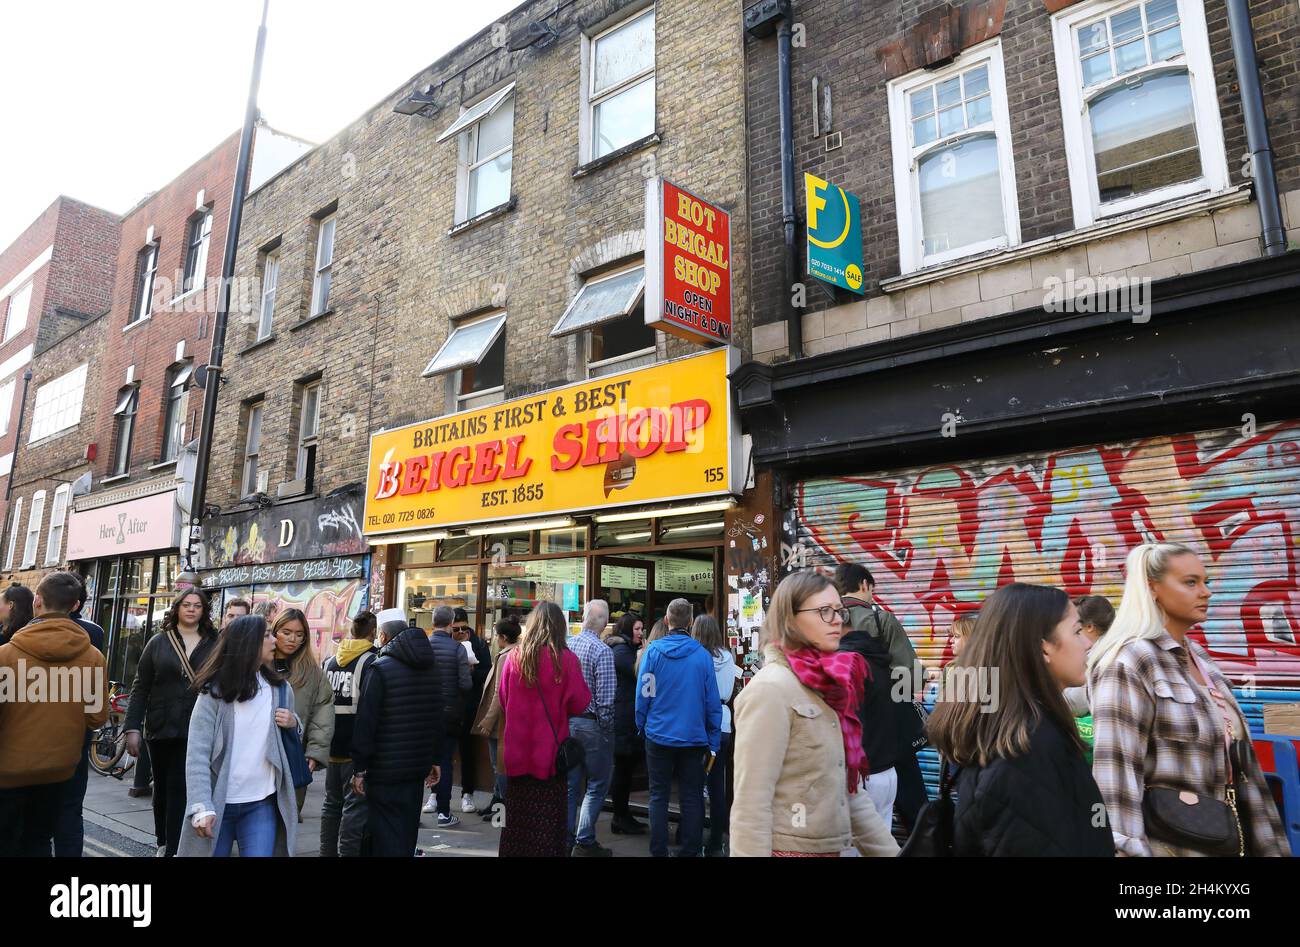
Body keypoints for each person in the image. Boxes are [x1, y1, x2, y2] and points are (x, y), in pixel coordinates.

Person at [1089, 542, 1290, 857]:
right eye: (1191, 582)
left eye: (1206, 581)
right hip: (1171, 848)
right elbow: (1116, 774)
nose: (1206, 592)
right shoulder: (1130, 661)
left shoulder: (1200, 659)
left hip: (1230, 838)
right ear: (1152, 588)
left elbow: (1239, 754)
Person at [927, 582, 1112, 857]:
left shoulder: (1017, 730)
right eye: (1077, 631)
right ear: (1044, 648)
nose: (1087, 643)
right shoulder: (1027, 747)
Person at [731, 571, 898, 857]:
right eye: (824, 611)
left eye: (839, 611)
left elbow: (850, 794)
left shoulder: (829, 686)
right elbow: (751, 803)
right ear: (790, 618)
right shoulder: (771, 689)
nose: (837, 620)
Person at [0, 571, 109, 856]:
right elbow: (97, 717)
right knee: (39, 842)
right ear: (74, 605)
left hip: (9, 772)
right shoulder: (93, 658)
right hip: (60, 770)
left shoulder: (6, 656)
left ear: (37, 602)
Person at [179, 615, 300, 857]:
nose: (275, 639)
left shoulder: (281, 689)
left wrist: (294, 723)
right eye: (267, 635)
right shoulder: (214, 693)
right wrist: (201, 807)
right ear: (249, 643)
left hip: (262, 803)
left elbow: (292, 733)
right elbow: (197, 753)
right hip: (218, 801)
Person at [124, 587, 220, 856]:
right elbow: (140, 686)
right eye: (186, 604)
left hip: (197, 728)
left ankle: (175, 847)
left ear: (204, 611)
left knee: (180, 786)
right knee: (162, 789)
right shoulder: (158, 642)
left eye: (197, 605)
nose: (191, 609)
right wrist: (132, 726)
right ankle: (163, 840)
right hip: (160, 726)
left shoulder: (214, 642)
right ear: (177, 608)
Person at [834, 563, 926, 830]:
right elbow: (912, 676)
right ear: (864, 585)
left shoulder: (825, 621)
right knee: (914, 806)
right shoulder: (880, 619)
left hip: (846, 735)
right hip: (889, 730)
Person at [497, 601, 591, 857]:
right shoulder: (567, 660)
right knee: (548, 827)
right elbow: (580, 703)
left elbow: (503, 700)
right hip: (549, 759)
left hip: (516, 757)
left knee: (515, 824)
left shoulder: (514, 657)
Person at [351, 608, 446, 857]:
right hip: (416, 769)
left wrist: (359, 768)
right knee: (405, 831)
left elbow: (366, 723)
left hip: (384, 770)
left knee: (383, 833)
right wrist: (435, 758)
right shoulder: (431, 668)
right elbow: (437, 718)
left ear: (382, 636)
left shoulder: (380, 668)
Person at [635, 598, 720, 857]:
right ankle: (690, 851)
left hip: (658, 735)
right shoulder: (703, 657)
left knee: (658, 796)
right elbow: (711, 703)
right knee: (692, 798)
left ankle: (658, 850)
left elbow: (644, 694)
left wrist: (642, 725)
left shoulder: (652, 652)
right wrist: (713, 740)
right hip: (693, 739)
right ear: (691, 622)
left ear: (667, 621)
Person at [52, 576, 107, 856]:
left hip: (33, 736)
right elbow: (97, 707)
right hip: (76, 734)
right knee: (71, 809)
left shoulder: (25, 631)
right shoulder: (94, 633)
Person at [319, 609, 379, 856]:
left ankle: (325, 853)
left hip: (332, 745)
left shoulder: (329, 661)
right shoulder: (373, 661)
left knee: (331, 806)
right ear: (373, 633)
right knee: (354, 811)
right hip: (356, 749)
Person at [270, 608, 335, 818]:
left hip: (293, 753)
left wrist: (315, 752)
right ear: (275, 631)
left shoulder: (311, 672)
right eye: (286, 632)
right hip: (258, 754)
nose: (292, 639)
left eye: (299, 634)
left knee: (286, 818)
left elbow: (322, 713)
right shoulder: (259, 665)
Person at [566, 599, 617, 856]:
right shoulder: (602, 651)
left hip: (568, 722)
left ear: (584, 617)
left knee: (571, 784)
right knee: (597, 783)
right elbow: (606, 701)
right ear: (605, 623)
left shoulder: (567, 645)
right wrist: (607, 732)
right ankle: (584, 840)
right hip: (592, 724)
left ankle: (565, 837)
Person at [693, 614, 740, 856]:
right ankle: (716, 841)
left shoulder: (697, 657)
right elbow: (730, 691)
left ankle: (694, 836)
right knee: (717, 785)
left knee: (696, 783)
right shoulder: (729, 657)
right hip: (723, 722)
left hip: (700, 722)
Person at [423, 605, 471, 826]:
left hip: (425, 712)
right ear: (451, 623)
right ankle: (444, 812)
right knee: (445, 760)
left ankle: (420, 806)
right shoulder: (458, 649)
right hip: (449, 713)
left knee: (422, 759)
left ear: (433, 622)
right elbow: (465, 684)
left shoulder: (423, 646)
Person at [473, 616, 522, 822]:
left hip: (500, 721)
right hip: (506, 718)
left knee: (498, 764)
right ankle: (497, 801)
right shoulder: (515, 652)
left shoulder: (506, 656)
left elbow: (498, 693)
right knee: (498, 764)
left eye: (496, 636)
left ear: (503, 637)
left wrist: (487, 720)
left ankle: (503, 808)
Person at [607, 612, 647, 835]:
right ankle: (619, 816)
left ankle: (622, 815)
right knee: (623, 770)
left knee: (626, 770)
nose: (641, 633)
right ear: (627, 629)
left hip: (628, 718)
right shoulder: (622, 651)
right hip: (624, 719)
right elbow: (638, 672)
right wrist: (644, 653)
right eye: (638, 629)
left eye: (642, 629)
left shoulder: (627, 649)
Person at [1063, 595, 1115, 761]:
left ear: (1090, 627)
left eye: (1077, 630)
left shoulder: (1099, 656)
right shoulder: (1117, 648)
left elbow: (1076, 703)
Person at [452, 606, 491, 813]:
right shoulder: (446, 643)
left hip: (469, 705)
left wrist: (472, 672)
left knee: (467, 751)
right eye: (454, 629)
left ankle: (467, 793)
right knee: (443, 752)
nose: (458, 633)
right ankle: (436, 794)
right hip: (449, 704)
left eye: (462, 628)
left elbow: (487, 672)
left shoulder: (478, 644)